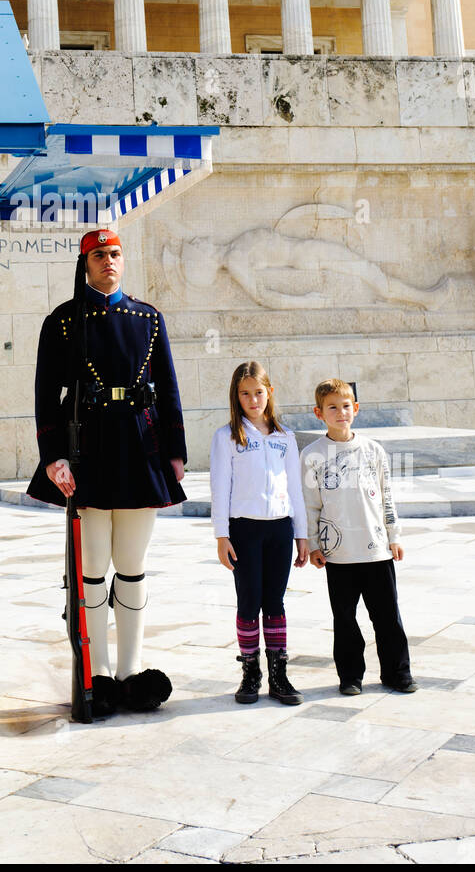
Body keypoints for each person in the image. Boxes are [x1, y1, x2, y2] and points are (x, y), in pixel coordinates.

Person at [26, 227, 187, 716]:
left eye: (115, 254)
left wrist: (175, 452)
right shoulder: (63, 323)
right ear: (85, 263)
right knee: (92, 570)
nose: (109, 262)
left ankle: (130, 673)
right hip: (89, 451)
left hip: (140, 449)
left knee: (132, 567)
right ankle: (94, 676)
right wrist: (53, 456)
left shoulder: (148, 318)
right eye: (99, 256)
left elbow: (169, 388)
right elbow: (45, 396)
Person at [302, 378, 417, 696]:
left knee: (387, 617)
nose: (341, 412)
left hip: (377, 549)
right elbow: (310, 504)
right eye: (333, 407)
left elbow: (386, 496)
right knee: (345, 619)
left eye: (346, 406)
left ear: (356, 408)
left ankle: (397, 673)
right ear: (319, 412)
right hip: (339, 554)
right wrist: (313, 544)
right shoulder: (313, 455)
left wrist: (394, 536)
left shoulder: (373, 450)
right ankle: (350, 676)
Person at [210, 360, 310, 705]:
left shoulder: (285, 438)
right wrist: (221, 535)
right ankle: (251, 671)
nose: (253, 400)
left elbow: (295, 488)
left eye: (258, 392)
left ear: (270, 393)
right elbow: (220, 487)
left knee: (275, 602)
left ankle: (279, 673)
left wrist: (301, 534)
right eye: (245, 394)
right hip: (244, 531)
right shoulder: (227, 437)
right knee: (249, 600)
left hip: (279, 529)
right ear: (236, 397)